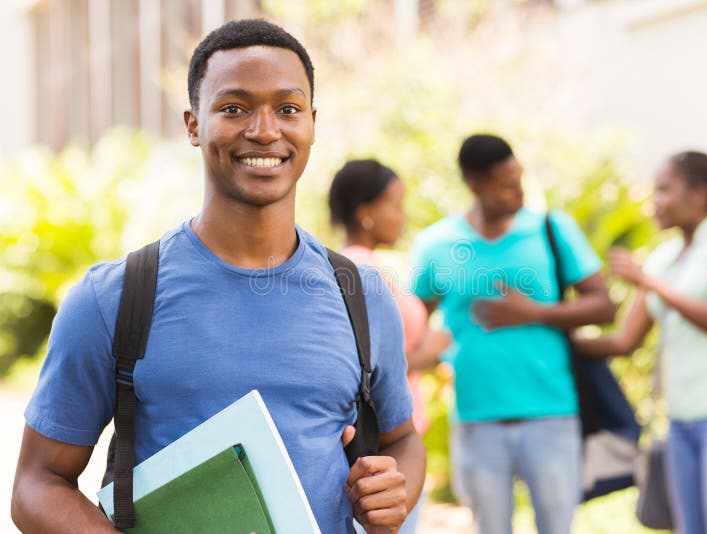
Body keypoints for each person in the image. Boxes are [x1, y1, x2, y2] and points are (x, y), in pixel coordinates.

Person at [11, 19, 425, 534]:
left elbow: (402, 440)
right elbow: (37, 484)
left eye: (288, 108)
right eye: (234, 108)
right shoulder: (112, 299)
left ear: (312, 124)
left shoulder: (360, 297)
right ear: (193, 125)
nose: (264, 130)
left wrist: (395, 487)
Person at [409, 134, 616, 534]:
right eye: (506, 184)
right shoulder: (436, 245)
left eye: (519, 178)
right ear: (474, 184)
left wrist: (534, 312)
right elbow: (410, 321)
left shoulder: (551, 229)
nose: (518, 191)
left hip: (551, 414)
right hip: (475, 419)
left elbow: (604, 305)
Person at [572, 151, 707, 534]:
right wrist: (556, 333)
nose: (654, 204)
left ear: (697, 193)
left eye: (664, 190)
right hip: (681, 424)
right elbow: (623, 341)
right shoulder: (663, 258)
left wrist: (649, 283)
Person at [328, 158, 452, 533]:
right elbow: (371, 363)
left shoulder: (356, 266)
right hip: (381, 452)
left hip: (395, 440)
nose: (403, 217)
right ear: (366, 213)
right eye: (395, 206)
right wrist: (431, 352)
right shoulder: (363, 273)